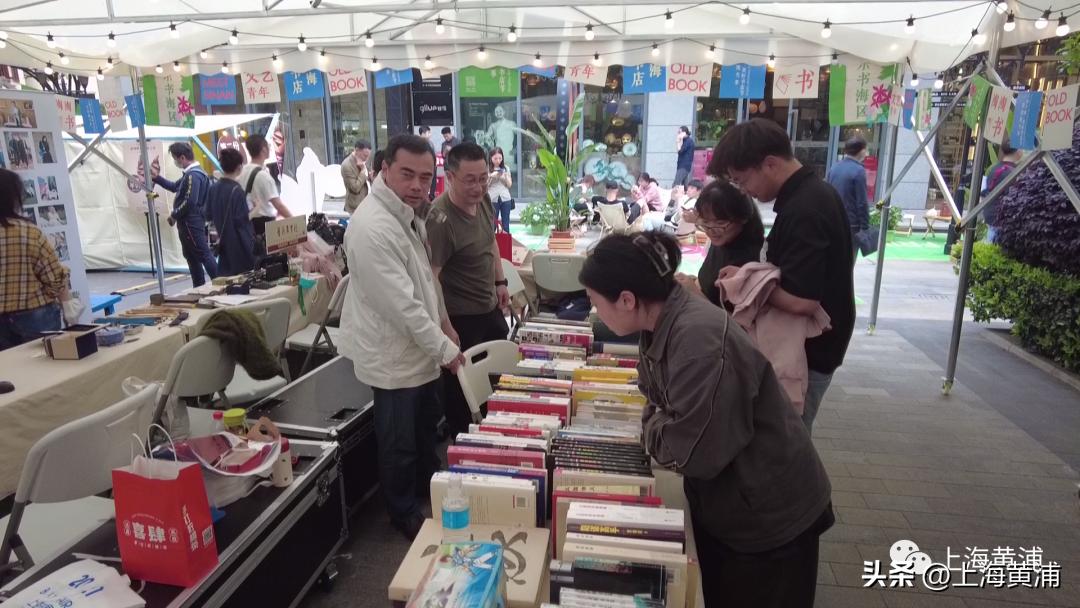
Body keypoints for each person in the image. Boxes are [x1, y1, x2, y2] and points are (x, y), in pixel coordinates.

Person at [578, 231, 833, 608]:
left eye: (595, 302)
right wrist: (662, 423)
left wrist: (656, 428)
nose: (595, 312)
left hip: (768, 516)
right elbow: (655, 403)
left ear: (627, 299)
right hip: (732, 502)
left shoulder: (698, 341)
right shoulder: (661, 320)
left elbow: (691, 452)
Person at [338, 134, 464, 541]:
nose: (417, 186)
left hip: (420, 348)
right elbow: (403, 306)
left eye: (425, 178)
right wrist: (445, 349)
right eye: (407, 174)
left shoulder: (407, 215)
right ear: (384, 168)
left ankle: (427, 489)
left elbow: (427, 282)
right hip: (393, 354)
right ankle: (403, 511)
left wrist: (445, 327)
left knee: (425, 428)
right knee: (398, 441)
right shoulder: (372, 226)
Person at [708, 118, 855, 434]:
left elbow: (802, 301)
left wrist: (746, 285)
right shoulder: (812, 195)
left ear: (770, 164)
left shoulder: (806, 208)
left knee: (785, 447)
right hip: (808, 348)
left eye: (742, 179)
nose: (744, 190)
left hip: (806, 353)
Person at [427, 142, 511, 438]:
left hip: (488, 308)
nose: (478, 187)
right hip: (460, 320)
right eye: (470, 180)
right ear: (449, 177)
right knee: (463, 398)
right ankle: (465, 450)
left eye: (483, 177)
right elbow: (431, 278)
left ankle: (500, 437)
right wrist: (445, 327)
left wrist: (500, 282)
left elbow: (490, 242)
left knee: (501, 382)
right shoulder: (440, 219)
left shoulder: (485, 200)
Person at [0, 168, 81, 350]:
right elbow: (54, 278)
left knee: (6, 372)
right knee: (46, 369)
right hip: (35, 315)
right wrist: (66, 304)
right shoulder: (28, 232)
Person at [676, 180, 765, 306]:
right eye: (706, 222)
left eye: (720, 223)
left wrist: (695, 293)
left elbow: (735, 323)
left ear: (742, 218)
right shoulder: (722, 239)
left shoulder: (750, 261)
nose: (712, 231)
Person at [151, 142, 218, 287]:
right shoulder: (194, 173)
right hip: (190, 222)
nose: (175, 162)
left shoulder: (193, 175)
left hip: (190, 222)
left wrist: (174, 214)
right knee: (192, 257)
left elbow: (190, 201)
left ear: (182, 157)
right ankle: (199, 288)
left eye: (175, 158)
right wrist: (157, 178)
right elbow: (175, 186)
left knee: (203, 254)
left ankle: (220, 283)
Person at [206, 148, 256, 276]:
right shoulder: (237, 190)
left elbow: (207, 214)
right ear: (239, 167)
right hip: (239, 249)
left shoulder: (213, 188)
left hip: (223, 247)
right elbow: (242, 223)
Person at [241, 134, 292, 255]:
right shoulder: (263, 175)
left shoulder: (242, 171)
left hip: (248, 224)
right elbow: (278, 205)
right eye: (268, 146)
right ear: (263, 149)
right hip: (265, 225)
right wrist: (295, 222)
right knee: (269, 261)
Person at [826, 136, 870, 257]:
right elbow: (862, 202)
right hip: (851, 224)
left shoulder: (834, 167)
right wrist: (865, 227)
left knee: (834, 259)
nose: (866, 153)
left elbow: (827, 194)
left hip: (833, 221)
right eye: (866, 150)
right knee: (848, 261)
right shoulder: (859, 171)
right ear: (861, 151)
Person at [983, 143, 1021, 243]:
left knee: (990, 244)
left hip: (990, 213)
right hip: (1002, 217)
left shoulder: (994, 168)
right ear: (1018, 152)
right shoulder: (1014, 172)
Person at [341, 139, 372, 215]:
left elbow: (366, 178)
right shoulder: (347, 165)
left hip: (365, 203)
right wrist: (363, 171)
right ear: (357, 150)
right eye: (365, 155)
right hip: (354, 207)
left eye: (368, 156)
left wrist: (370, 177)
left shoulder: (363, 161)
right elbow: (355, 188)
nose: (366, 158)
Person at [487, 147, 513, 231]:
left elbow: (509, 185)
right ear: (491, 158)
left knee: (506, 225)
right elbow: (485, 187)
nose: (498, 161)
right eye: (495, 158)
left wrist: (503, 177)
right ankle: (492, 244)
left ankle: (505, 243)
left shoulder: (506, 168)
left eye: (500, 158)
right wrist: (491, 176)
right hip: (492, 199)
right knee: (492, 225)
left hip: (505, 198)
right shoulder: (487, 169)